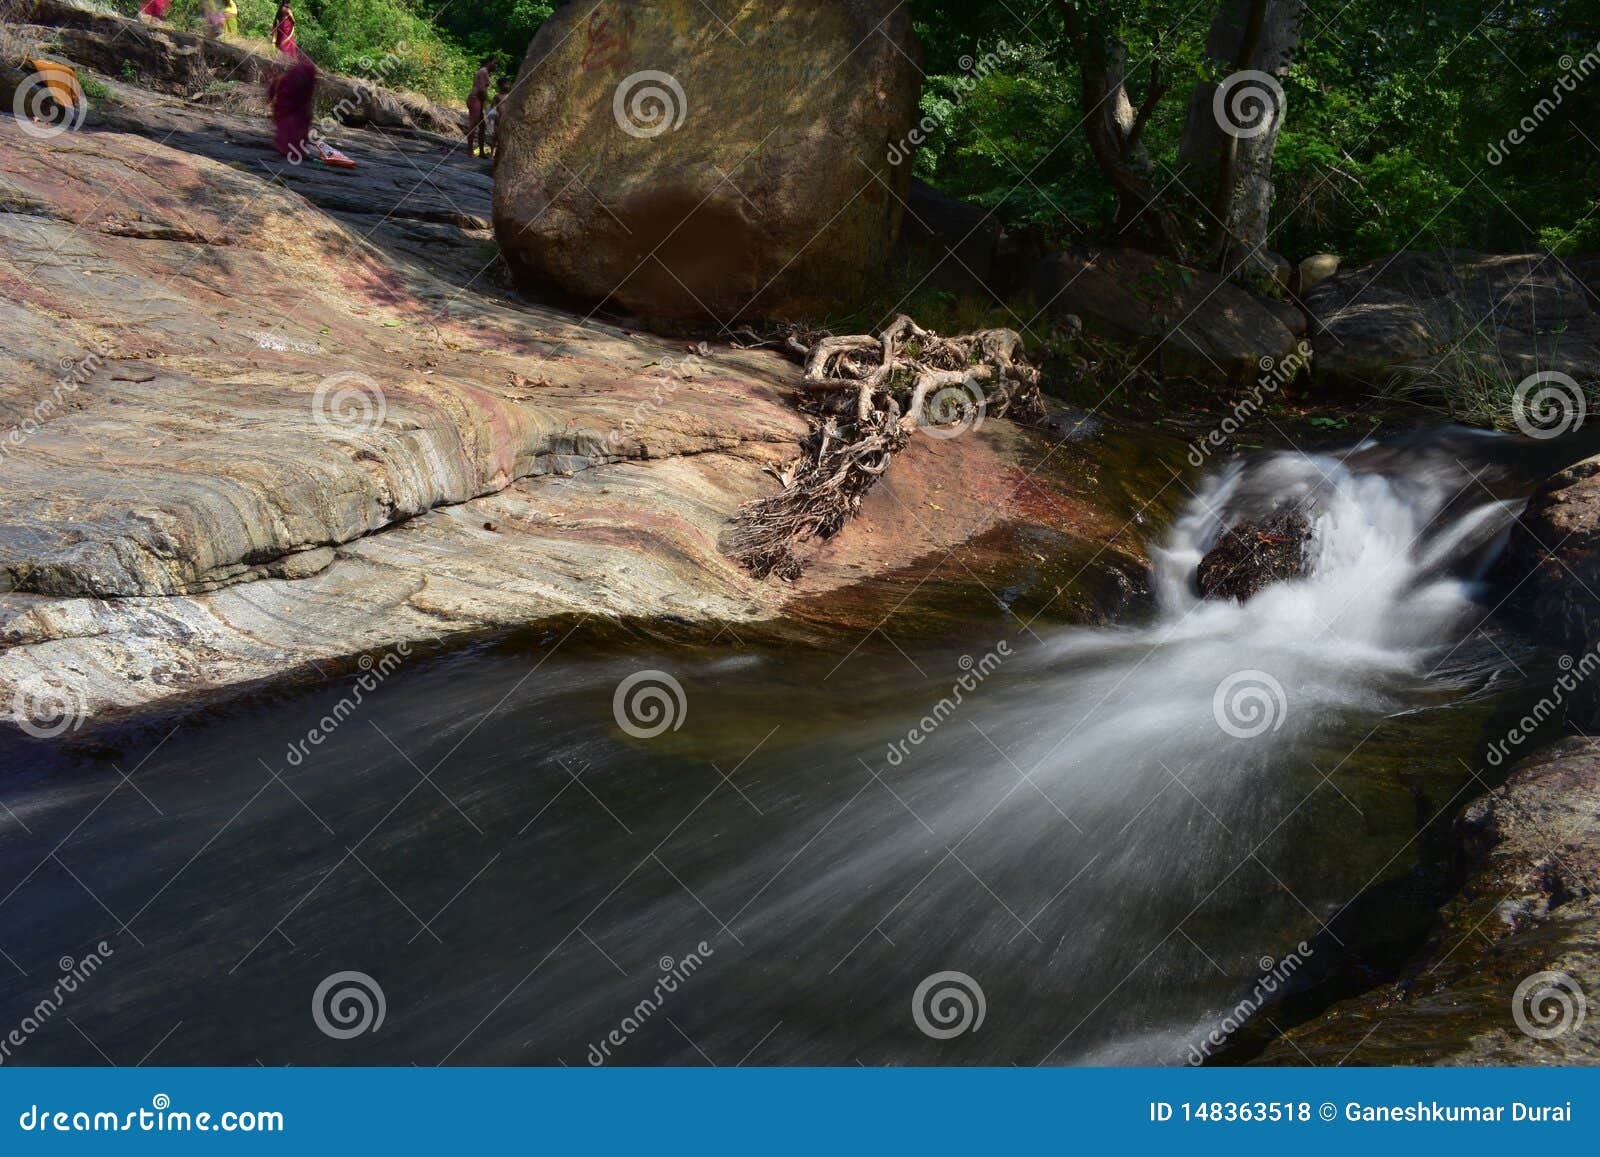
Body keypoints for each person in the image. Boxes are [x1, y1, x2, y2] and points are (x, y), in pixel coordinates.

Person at [267, 51, 317, 161]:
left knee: (293, 127)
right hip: (290, 106)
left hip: (296, 108)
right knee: (291, 127)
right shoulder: (295, 76)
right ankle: (290, 149)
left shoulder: (304, 74)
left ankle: (292, 149)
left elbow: (276, 84)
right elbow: (277, 84)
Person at [466, 55, 496, 157]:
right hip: (475, 100)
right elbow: (482, 90)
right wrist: (489, 101)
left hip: (479, 101)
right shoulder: (483, 72)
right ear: (489, 62)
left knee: (482, 126)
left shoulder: (485, 72)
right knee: (473, 125)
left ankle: (481, 152)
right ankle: (470, 150)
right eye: (495, 63)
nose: (496, 66)